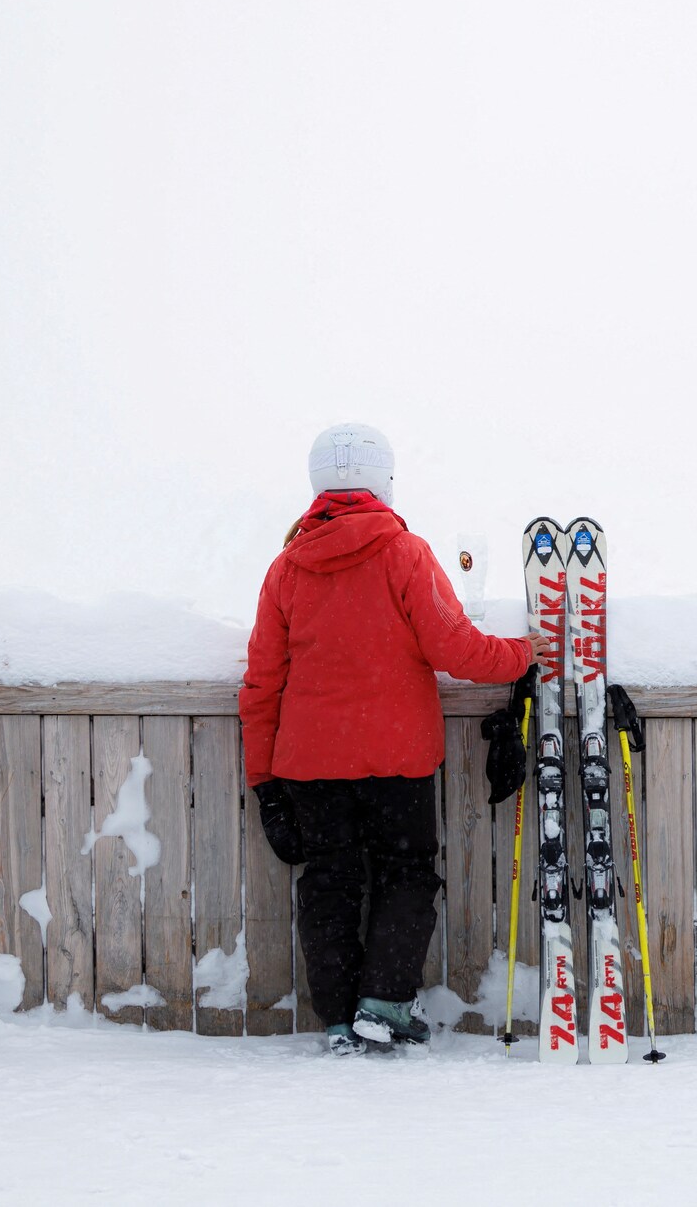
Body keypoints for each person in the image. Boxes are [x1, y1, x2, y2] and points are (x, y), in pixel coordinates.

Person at [239, 423, 543, 1055]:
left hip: (311, 766)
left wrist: (264, 785)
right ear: (384, 484)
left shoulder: (286, 569)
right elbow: (457, 649)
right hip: (397, 758)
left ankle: (338, 1021)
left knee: (329, 884)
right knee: (405, 874)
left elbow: (262, 684)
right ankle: (384, 1003)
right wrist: (524, 652)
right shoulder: (404, 553)